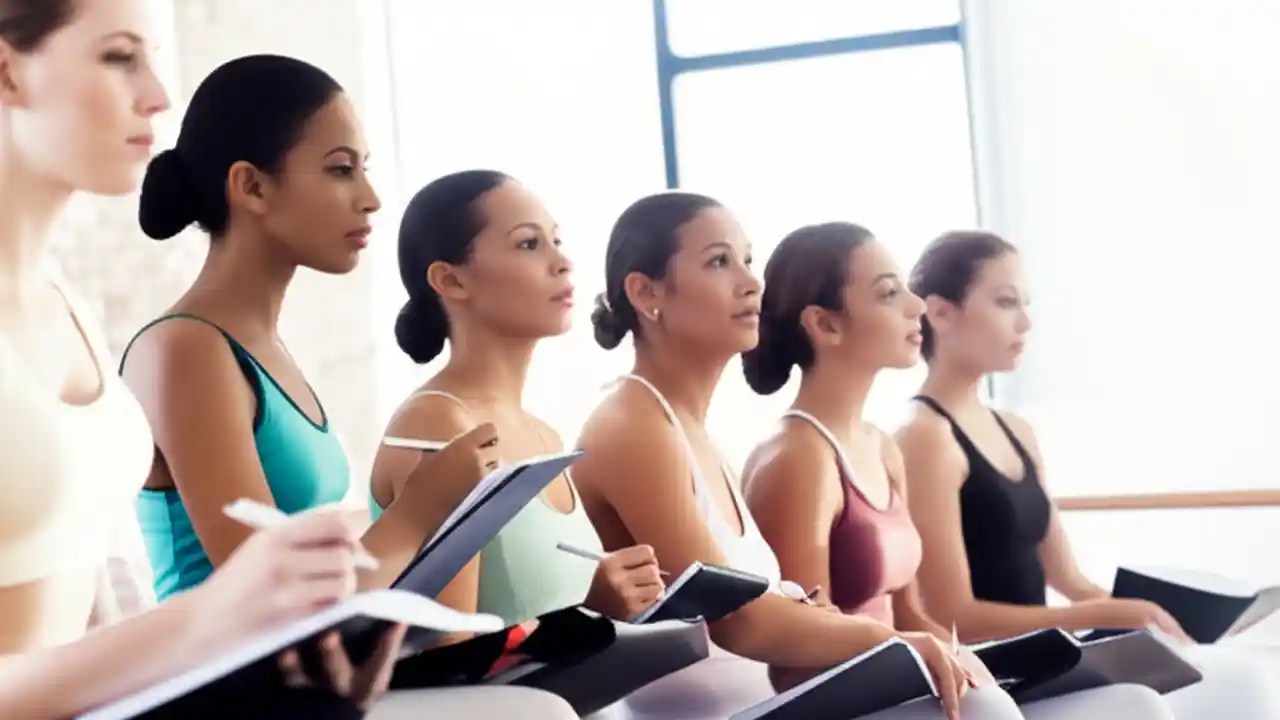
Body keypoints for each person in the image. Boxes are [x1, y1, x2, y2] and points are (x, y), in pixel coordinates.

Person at [115, 52, 578, 718]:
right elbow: (270, 600)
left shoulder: (267, 351)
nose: (370, 197)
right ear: (252, 187)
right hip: (223, 696)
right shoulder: (185, 350)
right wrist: (420, 510)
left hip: (309, 688)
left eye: (365, 169)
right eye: (339, 170)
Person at [0, 1, 406, 715]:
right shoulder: (180, 343)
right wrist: (204, 619)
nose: (158, 93)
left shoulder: (68, 311)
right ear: (8, 72)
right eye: (119, 56)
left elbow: (84, 620)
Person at [740, 222, 1176, 719]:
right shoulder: (800, 458)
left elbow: (912, 616)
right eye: (888, 293)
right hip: (843, 703)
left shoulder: (881, 448)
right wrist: (929, 658)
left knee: (1135, 700)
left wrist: (964, 658)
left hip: (899, 682)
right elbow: (795, 663)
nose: (916, 305)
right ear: (826, 325)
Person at [573, 193, 977, 720]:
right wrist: (895, 641)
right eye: (720, 262)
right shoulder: (633, 424)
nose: (751, 282)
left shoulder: (691, 432)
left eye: (748, 260)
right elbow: (739, 622)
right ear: (646, 292)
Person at [898, 230, 1280, 719]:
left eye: (1026, 303)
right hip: (994, 674)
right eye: (1005, 302)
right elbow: (955, 616)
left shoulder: (1017, 430)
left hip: (1050, 660)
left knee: (1242, 674)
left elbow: (1071, 581)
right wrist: (1101, 614)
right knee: (1140, 704)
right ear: (941, 312)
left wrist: (1159, 619)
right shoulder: (923, 437)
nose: (1025, 322)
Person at [369, 170, 664, 630]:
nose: (562, 262)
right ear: (450, 280)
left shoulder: (545, 435)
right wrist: (587, 610)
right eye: (529, 244)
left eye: (556, 240)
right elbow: (447, 655)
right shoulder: (437, 424)